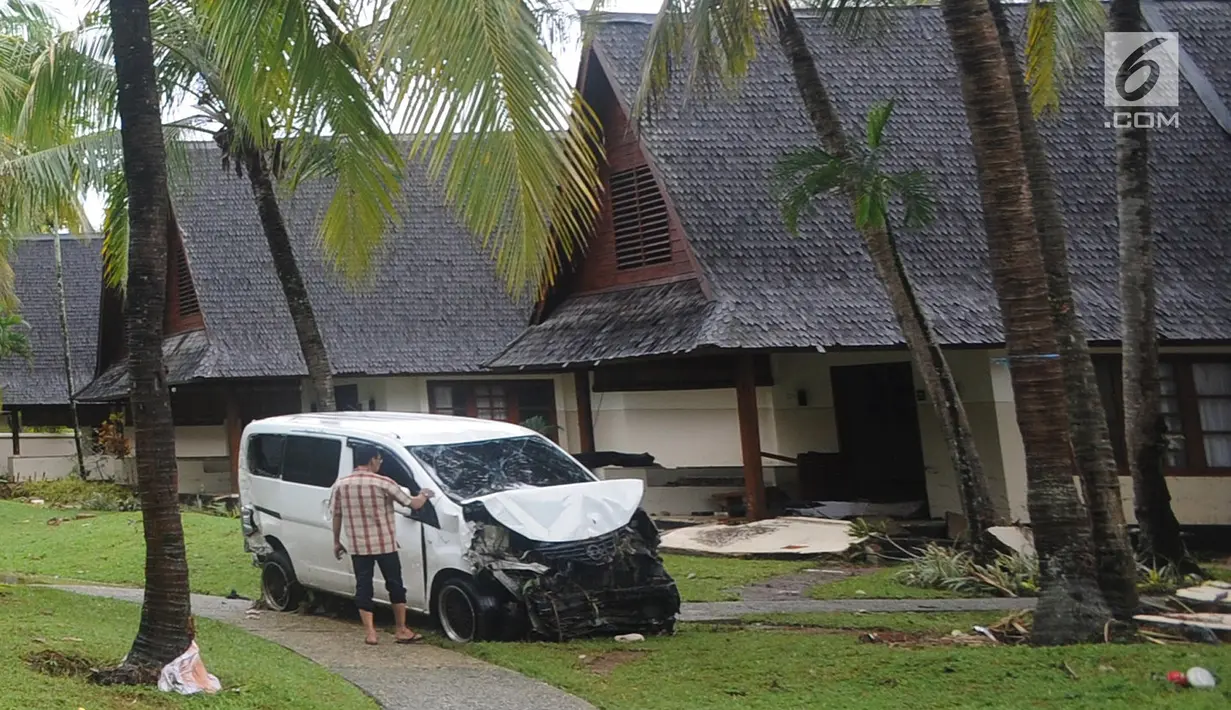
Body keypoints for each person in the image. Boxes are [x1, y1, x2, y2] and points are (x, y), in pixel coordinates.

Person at [330, 445, 434, 645]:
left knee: (363, 587)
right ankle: (401, 629)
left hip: (358, 546)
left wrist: (336, 541)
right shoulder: (383, 482)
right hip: (385, 544)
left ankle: (370, 633)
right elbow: (413, 504)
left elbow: (336, 514)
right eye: (379, 460)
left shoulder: (341, 485)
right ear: (372, 460)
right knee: (395, 584)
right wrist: (425, 494)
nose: (380, 463)